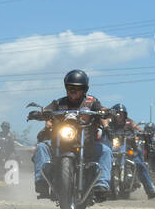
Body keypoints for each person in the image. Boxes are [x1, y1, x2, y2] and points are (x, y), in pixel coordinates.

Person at [32, 69, 112, 198]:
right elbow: (47, 110)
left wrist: (108, 115)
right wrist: (39, 113)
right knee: (41, 147)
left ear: (84, 89)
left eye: (77, 88)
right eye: (70, 88)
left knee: (106, 151)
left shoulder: (91, 102)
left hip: (87, 144)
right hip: (60, 143)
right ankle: (41, 182)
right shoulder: (59, 103)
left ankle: (101, 184)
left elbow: (102, 111)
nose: (73, 91)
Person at [109, 104, 155, 199]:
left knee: (140, 164)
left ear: (125, 114)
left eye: (122, 114)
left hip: (128, 149)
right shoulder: (110, 124)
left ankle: (150, 191)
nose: (120, 116)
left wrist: (141, 133)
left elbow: (137, 128)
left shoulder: (129, 123)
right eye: (118, 114)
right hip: (114, 149)